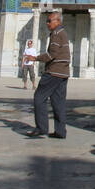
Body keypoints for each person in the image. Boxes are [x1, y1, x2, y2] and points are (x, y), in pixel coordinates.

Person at [29, 10, 71, 138]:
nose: (47, 23)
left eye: (49, 21)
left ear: (57, 21)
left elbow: (52, 54)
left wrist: (35, 58)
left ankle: (42, 128)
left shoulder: (56, 34)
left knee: (39, 98)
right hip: (63, 73)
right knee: (58, 102)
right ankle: (60, 131)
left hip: (53, 72)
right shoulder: (62, 33)